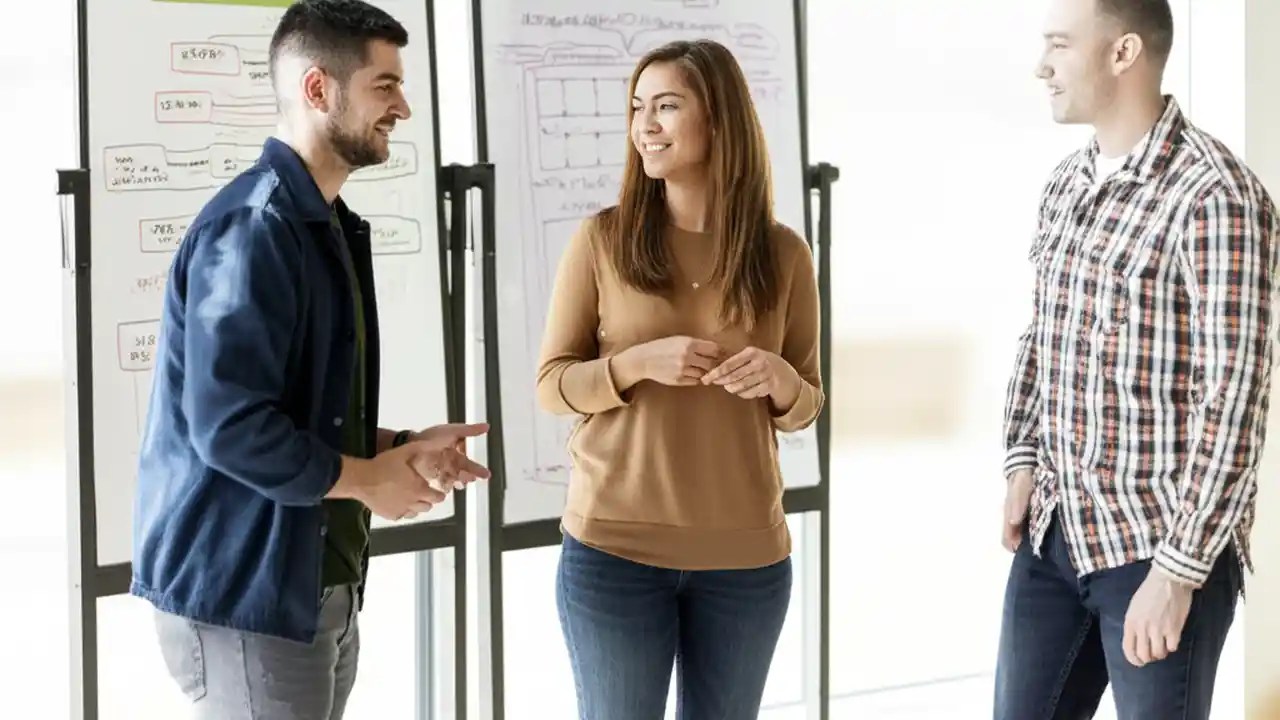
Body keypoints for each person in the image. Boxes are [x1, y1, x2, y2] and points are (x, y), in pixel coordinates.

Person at [130, 1, 489, 717]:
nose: (403, 108)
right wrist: (366, 481)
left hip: (313, 583)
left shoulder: (325, 225)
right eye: (384, 87)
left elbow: (299, 409)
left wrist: (398, 451)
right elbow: (229, 426)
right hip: (249, 594)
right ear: (319, 89)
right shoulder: (254, 229)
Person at [996, 0, 1278, 717]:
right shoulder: (1065, 185)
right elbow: (1041, 336)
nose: (1042, 66)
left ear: (1123, 53)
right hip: (1054, 538)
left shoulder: (1218, 195)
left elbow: (1236, 396)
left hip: (1156, 547)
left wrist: (1179, 573)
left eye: (1059, 45)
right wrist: (1022, 460)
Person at [536, 38, 824, 720]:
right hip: (614, 552)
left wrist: (779, 378)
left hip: (746, 561)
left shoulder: (783, 253)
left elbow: (806, 401)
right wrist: (637, 364)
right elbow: (552, 384)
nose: (645, 126)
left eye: (666, 107)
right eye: (638, 108)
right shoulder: (602, 240)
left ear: (719, 121)